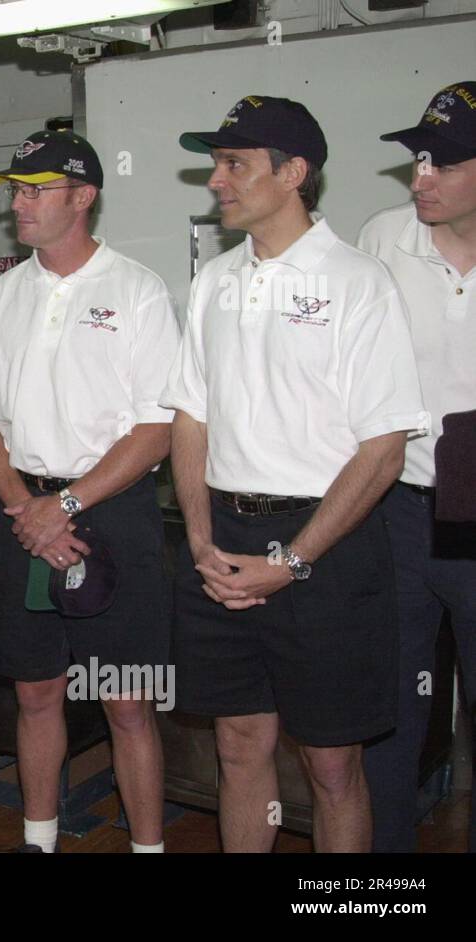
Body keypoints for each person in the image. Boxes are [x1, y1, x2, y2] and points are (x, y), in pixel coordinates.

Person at [161, 96, 426, 852]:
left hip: (326, 548)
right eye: (216, 163)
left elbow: (383, 449)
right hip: (223, 537)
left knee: (332, 765)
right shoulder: (215, 281)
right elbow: (190, 417)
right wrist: (200, 538)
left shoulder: (358, 281)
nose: (216, 180)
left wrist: (294, 561)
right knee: (239, 743)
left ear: (293, 172)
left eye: (233, 164)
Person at [0, 130, 180, 853]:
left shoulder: (137, 291)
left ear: (83, 196)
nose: (17, 204)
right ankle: (40, 840)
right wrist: (29, 509)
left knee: (127, 702)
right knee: (35, 692)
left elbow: (157, 429)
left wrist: (67, 506)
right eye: (15, 190)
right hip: (23, 514)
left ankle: (147, 848)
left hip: (113, 514)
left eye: (35, 190)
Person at [360, 80, 476, 853]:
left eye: (445, 163)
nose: (421, 178)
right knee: (392, 703)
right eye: (418, 160)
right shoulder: (382, 239)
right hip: (397, 507)